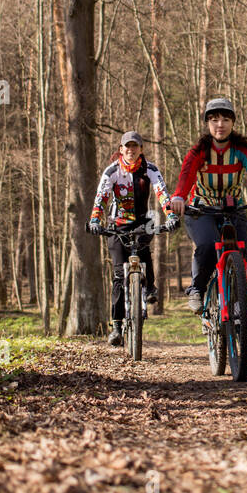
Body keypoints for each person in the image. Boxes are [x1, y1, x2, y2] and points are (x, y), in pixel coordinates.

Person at [169, 99, 247, 349]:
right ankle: (197, 289)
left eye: (225, 119)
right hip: (200, 209)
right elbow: (186, 177)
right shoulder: (198, 151)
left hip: (233, 209)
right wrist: (178, 197)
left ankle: (245, 325)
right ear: (208, 123)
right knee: (209, 245)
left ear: (233, 122)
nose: (219, 124)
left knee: (241, 259)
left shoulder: (241, 150)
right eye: (214, 119)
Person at [88, 130, 177, 347]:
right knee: (119, 275)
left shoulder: (150, 169)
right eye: (127, 146)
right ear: (121, 149)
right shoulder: (112, 172)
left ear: (141, 149)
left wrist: (171, 215)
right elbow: (102, 197)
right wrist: (95, 221)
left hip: (141, 222)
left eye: (135, 146)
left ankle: (149, 288)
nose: (131, 150)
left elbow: (162, 193)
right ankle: (117, 326)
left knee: (145, 249)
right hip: (117, 225)